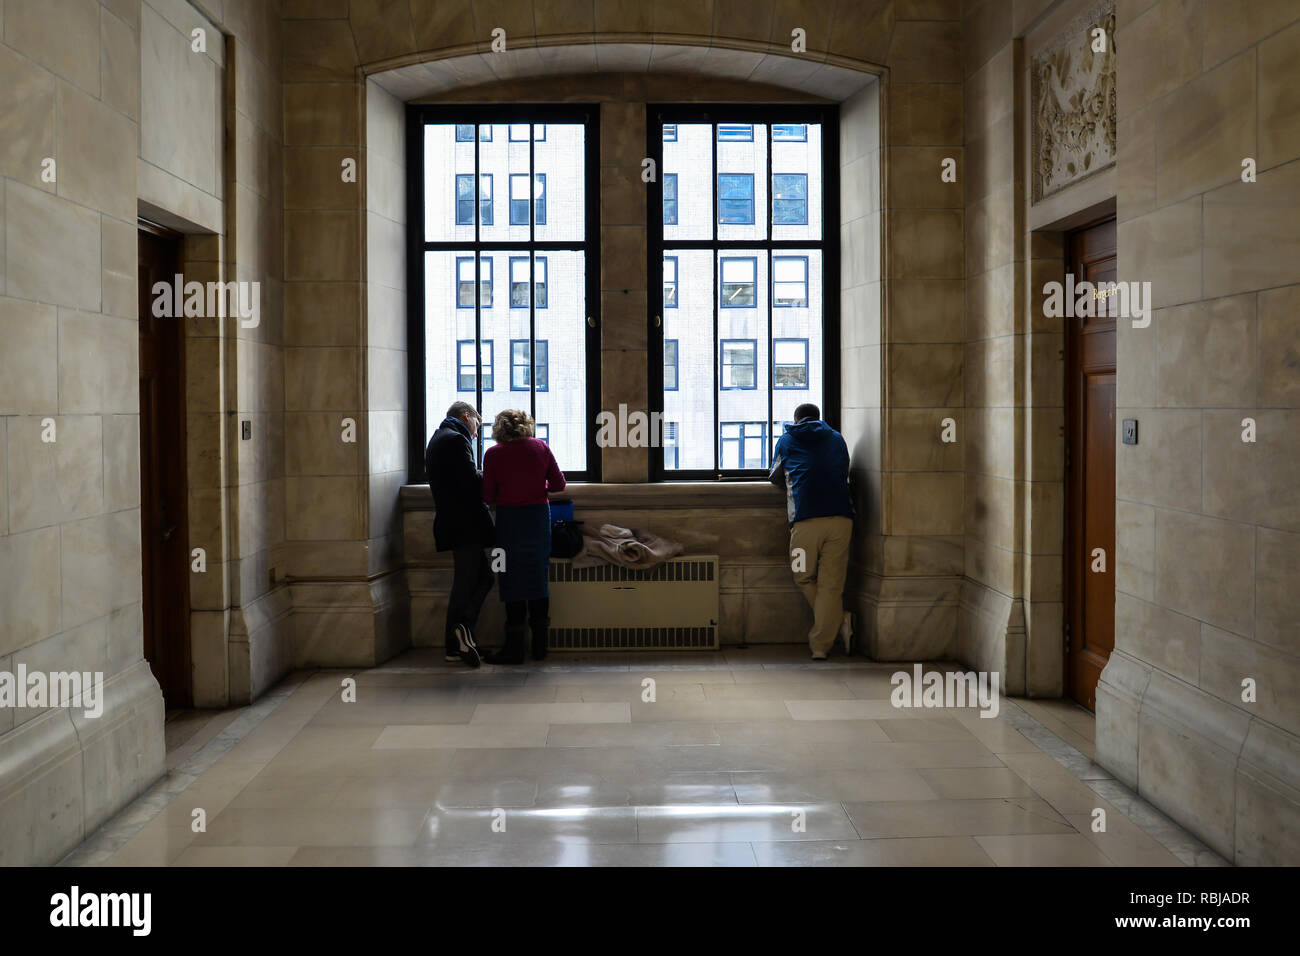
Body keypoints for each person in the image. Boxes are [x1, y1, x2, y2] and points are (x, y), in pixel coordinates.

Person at [769, 404, 855, 660]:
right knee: (832, 584)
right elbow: (844, 469)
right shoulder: (837, 438)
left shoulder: (786, 440)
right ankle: (822, 642)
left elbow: (774, 475)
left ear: (796, 420)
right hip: (842, 518)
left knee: (802, 575)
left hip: (805, 520)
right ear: (819, 418)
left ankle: (834, 627)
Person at [481, 409, 566, 664]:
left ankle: (514, 649)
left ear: (499, 429)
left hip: (509, 523)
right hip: (538, 520)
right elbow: (559, 484)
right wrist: (539, 488)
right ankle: (540, 648)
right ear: (526, 425)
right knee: (539, 577)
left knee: (509, 579)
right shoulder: (541, 448)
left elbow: (487, 496)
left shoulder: (493, 454)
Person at [425, 402, 495, 668]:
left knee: (478, 578)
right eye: (477, 424)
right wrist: (494, 477)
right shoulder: (455, 440)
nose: (477, 432)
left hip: (456, 523)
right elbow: (470, 481)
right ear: (467, 416)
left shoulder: (441, 437)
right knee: (470, 581)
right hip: (464, 525)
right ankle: (459, 633)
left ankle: (460, 640)